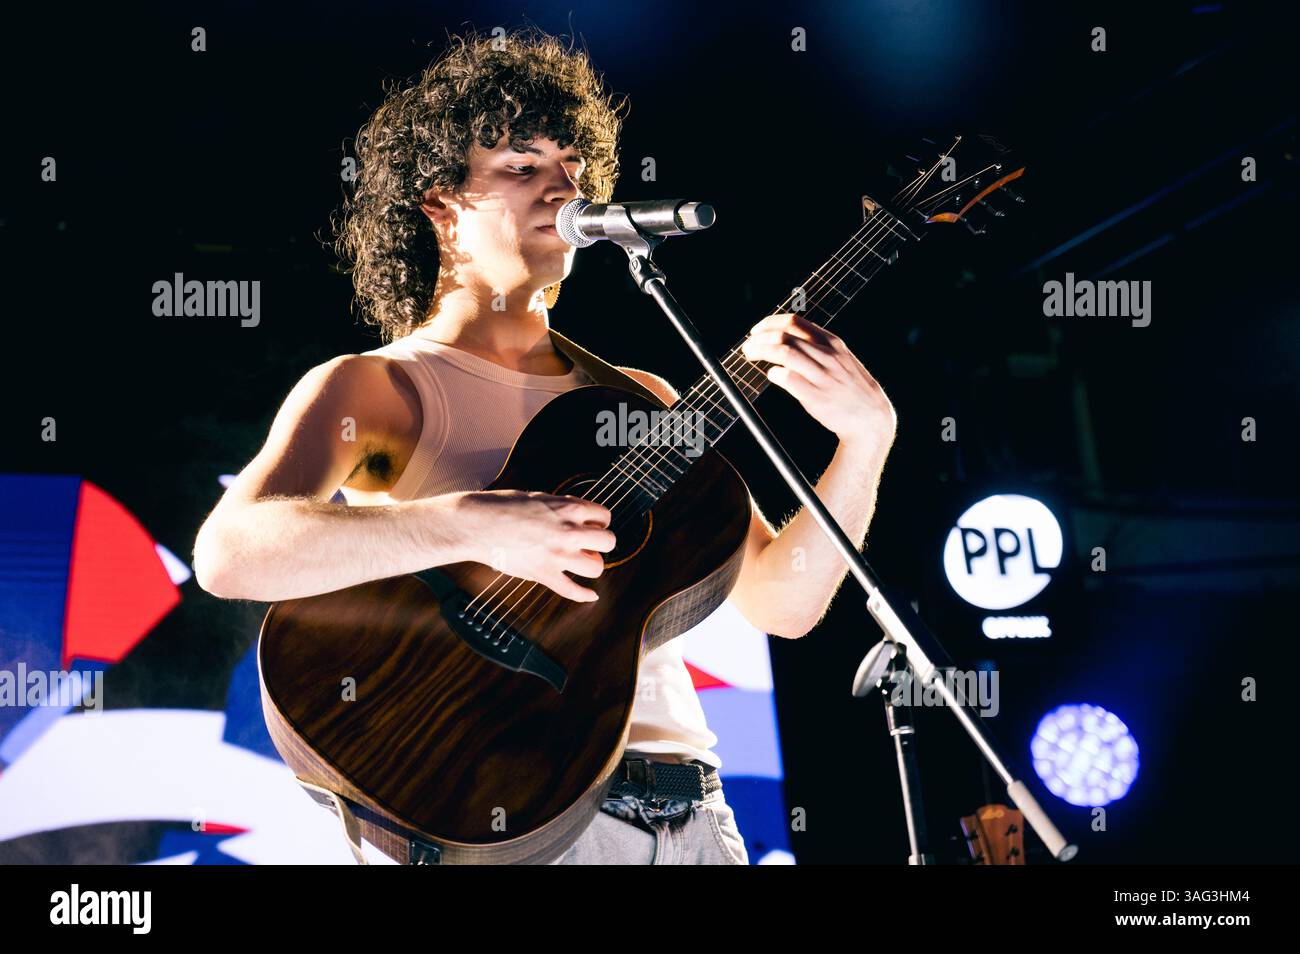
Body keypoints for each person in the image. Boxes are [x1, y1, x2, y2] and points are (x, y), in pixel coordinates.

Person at [193, 26, 897, 865]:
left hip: (696, 819)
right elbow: (232, 552)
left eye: (574, 170)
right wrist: (471, 524)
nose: (563, 188)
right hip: (510, 815)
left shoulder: (645, 399)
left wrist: (865, 442)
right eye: (522, 167)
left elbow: (784, 604)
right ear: (439, 205)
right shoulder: (377, 388)